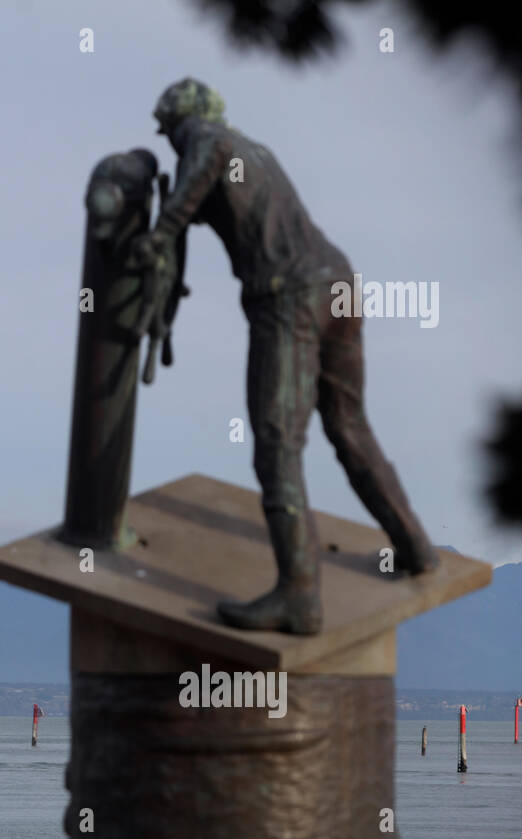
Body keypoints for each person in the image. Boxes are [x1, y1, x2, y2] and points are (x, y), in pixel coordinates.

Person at [133, 78, 438, 635]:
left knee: (277, 443)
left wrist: (160, 232)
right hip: (337, 281)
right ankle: (415, 545)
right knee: (350, 425)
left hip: (288, 296)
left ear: (183, 120)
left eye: (170, 130)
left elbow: (207, 156)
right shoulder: (257, 150)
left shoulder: (207, 137)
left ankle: (299, 595)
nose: (174, 140)